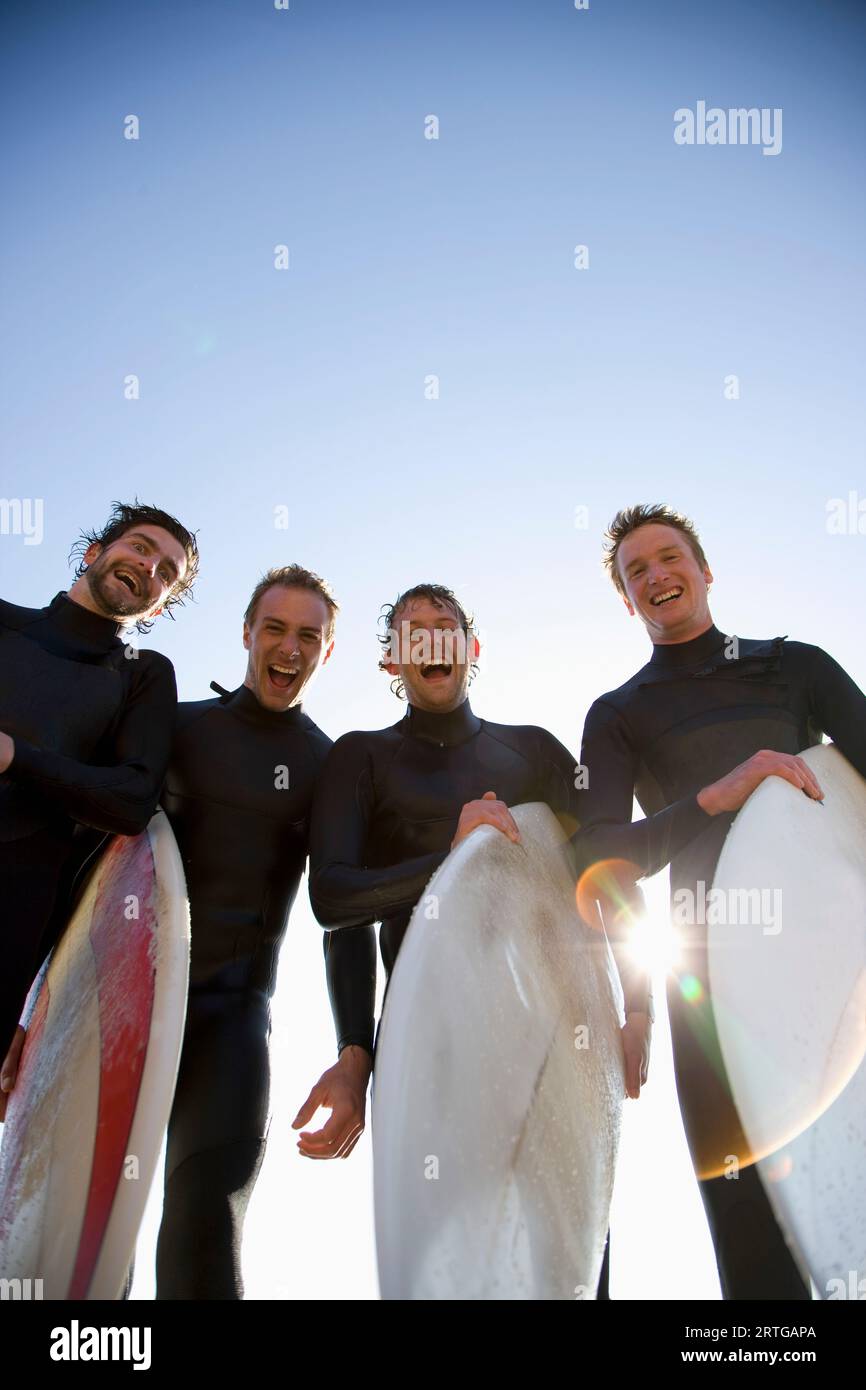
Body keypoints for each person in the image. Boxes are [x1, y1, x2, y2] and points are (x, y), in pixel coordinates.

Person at [571, 502, 866, 1300]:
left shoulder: (796, 667)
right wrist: (636, 1007)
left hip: (832, 955)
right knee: (746, 1225)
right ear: (627, 601)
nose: (656, 575)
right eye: (636, 572)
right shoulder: (619, 714)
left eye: (670, 558)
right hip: (706, 973)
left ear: (705, 570)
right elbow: (597, 859)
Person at [293, 583, 652, 1192]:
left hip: (554, 1022)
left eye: (446, 625)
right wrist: (356, 1055)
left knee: (572, 1259)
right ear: (391, 659)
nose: (431, 637)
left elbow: (608, 870)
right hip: (427, 1027)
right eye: (413, 630)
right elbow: (335, 902)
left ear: (472, 645)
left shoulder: (534, 750)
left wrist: (640, 1006)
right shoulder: (361, 759)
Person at [153, 565, 372, 1300]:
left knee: (204, 1226)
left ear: (328, 652)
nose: (289, 647)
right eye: (274, 628)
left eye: (308, 635)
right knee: (84, 1227)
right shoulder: (176, 728)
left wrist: (355, 1055)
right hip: (119, 1006)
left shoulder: (328, 766)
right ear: (246, 633)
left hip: (232, 1019)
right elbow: (85, 859)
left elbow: (342, 918)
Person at [0, 500, 198, 1102]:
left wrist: (15, 757)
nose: (150, 567)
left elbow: (131, 801)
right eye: (140, 547)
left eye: (168, 572)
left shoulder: (141, 674)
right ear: (94, 552)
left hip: (15, 915)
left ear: (159, 605)